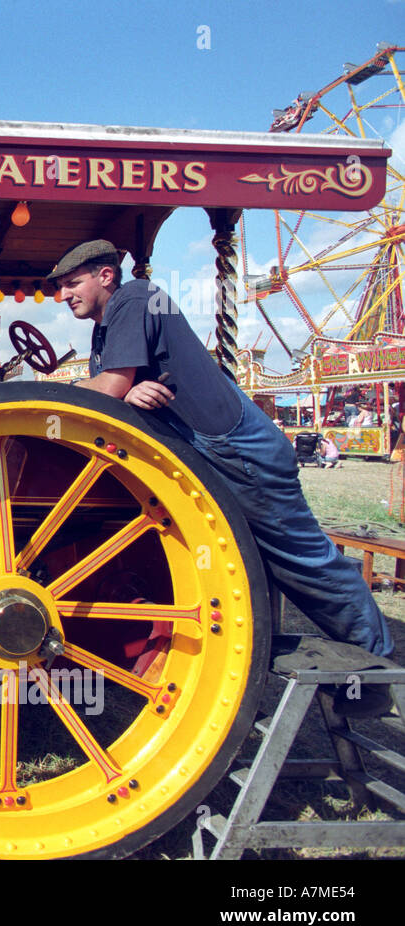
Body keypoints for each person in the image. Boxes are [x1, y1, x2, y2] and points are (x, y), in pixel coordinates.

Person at [48, 240, 394, 715]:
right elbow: (118, 389)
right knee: (257, 561)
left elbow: (108, 387)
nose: (64, 295)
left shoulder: (134, 298)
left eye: (72, 283)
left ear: (106, 276)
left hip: (236, 449)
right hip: (215, 447)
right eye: (61, 287)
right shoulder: (107, 327)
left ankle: (376, 672)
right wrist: (123, 393)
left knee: (302, 559)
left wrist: (93, 390)